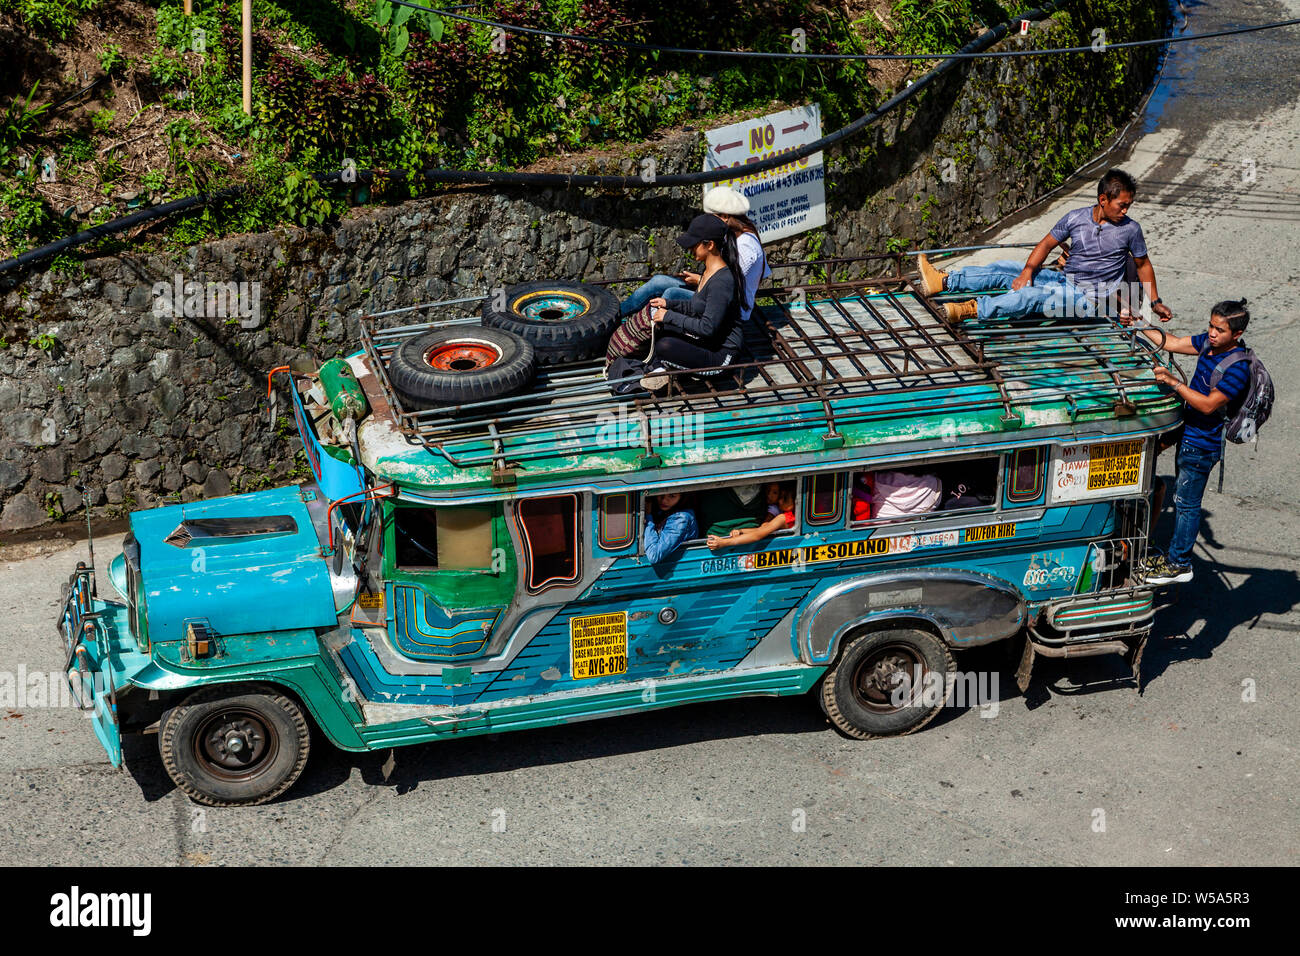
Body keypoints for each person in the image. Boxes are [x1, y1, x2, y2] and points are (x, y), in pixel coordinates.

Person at [917, 169, 1174, 324]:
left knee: (1031, 296)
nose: (1126, 210)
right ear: (1103, 199)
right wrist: (1027, 272)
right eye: (1122, 205)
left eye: (1129, 205)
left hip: (1088, 301)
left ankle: (970, 310)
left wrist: (1155, 302)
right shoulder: (1076, 217)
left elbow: (1143, 265)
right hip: (1064, 280)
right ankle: (944, 282)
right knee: (1004, 268)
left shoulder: (1131, 229)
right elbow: (1047, 244)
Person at [1125, 299, 1252, 585]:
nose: (1212, 333)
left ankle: (1179, 563)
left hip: (1202, 444)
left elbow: (1208, 405)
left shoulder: (1237, 368)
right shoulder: (1209, 344)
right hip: (1186, 429)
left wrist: (1174, 383)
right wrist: (1140, 324)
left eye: (1220, 330)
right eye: (1211, 326)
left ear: (1237, 334)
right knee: (1173, 492)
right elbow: (1172, 342)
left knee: (1186, 504)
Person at [606, 214, 745, 389]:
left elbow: (707, 328)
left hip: (722, 357)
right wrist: (669, 304)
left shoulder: (721, 282)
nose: (690, 249)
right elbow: (696, 307)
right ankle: (660, 368)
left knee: (665, 346)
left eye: (694, 244)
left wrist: (669, 316)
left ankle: (661, 368)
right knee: (662, 330)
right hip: (708, 343)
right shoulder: (708, 271)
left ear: (710, 245)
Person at [618, 187, 770, 322]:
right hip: (712, 292)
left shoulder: (745, 246)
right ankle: (615, 315)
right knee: (659, 281)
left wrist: (699, 280)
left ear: (724, 216)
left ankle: (648, 333)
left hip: (730, 309)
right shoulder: (731, 236)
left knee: (671, 294)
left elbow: (727, 287)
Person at [706, 482, 795, 550]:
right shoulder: (787, 515)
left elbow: (758, 534)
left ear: (796, 501)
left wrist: (724, 542)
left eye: (785, 498)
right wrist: (741, 531)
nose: (780, 501)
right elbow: (760, 530)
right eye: (780, 497)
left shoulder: (784, 518)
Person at [643, 491, 698, 564]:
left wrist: (648, 517)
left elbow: (654, 555)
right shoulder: (663, 511)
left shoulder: (681, 519)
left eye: (672, 496)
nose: (664, 500)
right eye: (660, 493)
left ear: (682, 497)